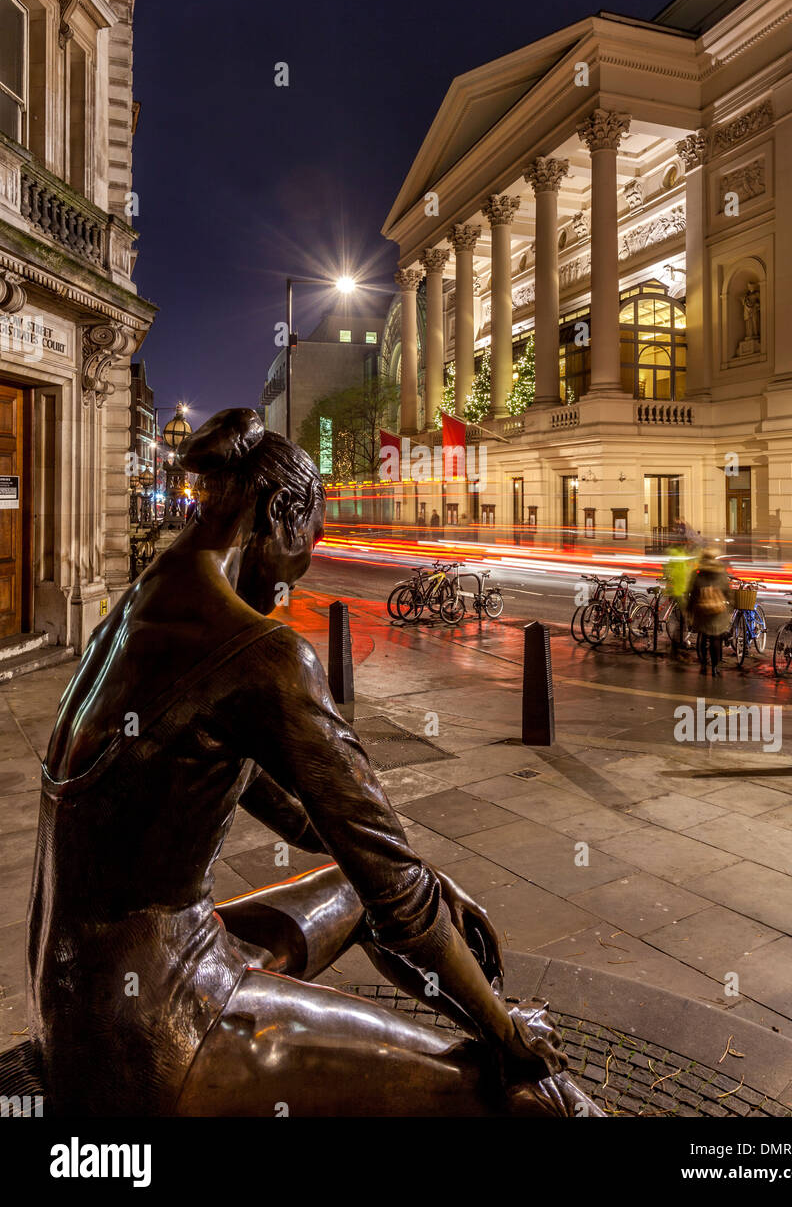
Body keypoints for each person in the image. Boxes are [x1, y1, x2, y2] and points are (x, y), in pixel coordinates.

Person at [27, 408, 596, 1118]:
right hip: (151, 1037)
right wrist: (508, 1034)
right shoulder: (259, 654)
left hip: (79, 993)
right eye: (311, 538)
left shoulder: (138, 607)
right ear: (282, 514)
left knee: (356, 889)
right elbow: (397, 895)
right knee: (522, 1094)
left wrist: (427, 881)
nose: (308, 562)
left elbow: (307, 820)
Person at [686, 548, 731, 678]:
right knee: (716, 639)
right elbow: (727, 592)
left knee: (703, 638)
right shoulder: (721, 572)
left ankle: (704, 666)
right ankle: (715, 668)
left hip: (702, 610)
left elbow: (692, 593)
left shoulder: (698, 573)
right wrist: (729, 607)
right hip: (717, 611)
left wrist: (690, 610)